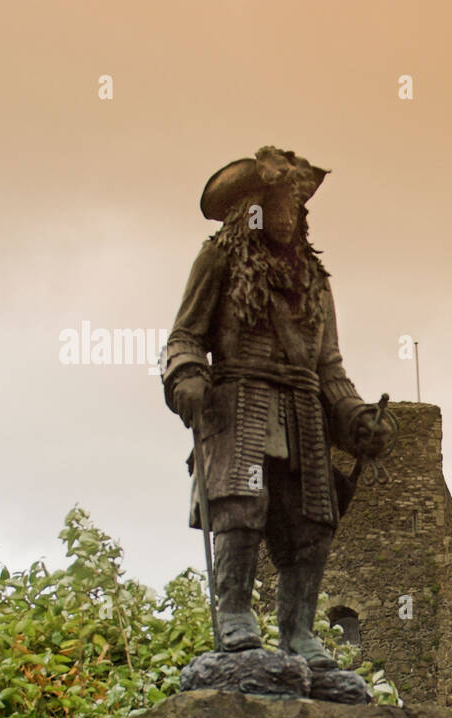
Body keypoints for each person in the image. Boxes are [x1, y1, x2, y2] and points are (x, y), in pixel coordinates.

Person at [161, 146, 393, 670]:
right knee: (243, 508)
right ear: (252, 209)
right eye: (277, 203)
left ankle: (297, 632)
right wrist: (188, 375)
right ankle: (236, 614)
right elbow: (184, 335)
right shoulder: (219, 257)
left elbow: (330, 367)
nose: (289, 216)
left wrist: (356, 418)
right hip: (242, 402)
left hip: (304, 412)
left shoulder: (315, 282)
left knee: (311, 523)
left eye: (296, 206)